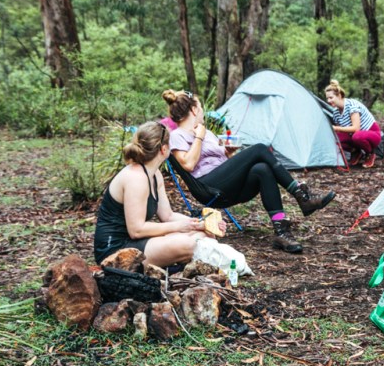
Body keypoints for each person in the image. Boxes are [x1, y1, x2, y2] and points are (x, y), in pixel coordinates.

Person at [163, 89, 335, 254]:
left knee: (262, 169)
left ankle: (281, 231)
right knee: (260, 149)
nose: (202, 112)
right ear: (194, 110)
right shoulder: (178, 135)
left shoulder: (207, 133)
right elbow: (188, 165)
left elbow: (224, 165)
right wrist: (199, 136)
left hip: (227, 185)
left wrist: (229, 154)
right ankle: (300, 195)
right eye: (200, 107)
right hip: (208, 187)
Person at [94, 121, 224, 268]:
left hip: (136, 242)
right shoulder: (135, 177)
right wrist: (179, 227)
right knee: (188, 243)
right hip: (115, 250)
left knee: (205, 235)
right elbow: (136, 230)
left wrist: (201, 224)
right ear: (163, 149)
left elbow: (167, 216)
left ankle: (177, 264)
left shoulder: (155, 174)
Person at [325, 80, 382, 168]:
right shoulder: (336, 112)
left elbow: (356, 129)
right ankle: (356, 151)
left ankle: (370, 153)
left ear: (339, 95)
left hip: (371, 134)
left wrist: (336, 128)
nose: (328, 100)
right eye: (327, 98)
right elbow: (342, 133)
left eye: (331, 97)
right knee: (334, 138)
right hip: (354, 136)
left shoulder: (351, 105)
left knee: (357, 136)